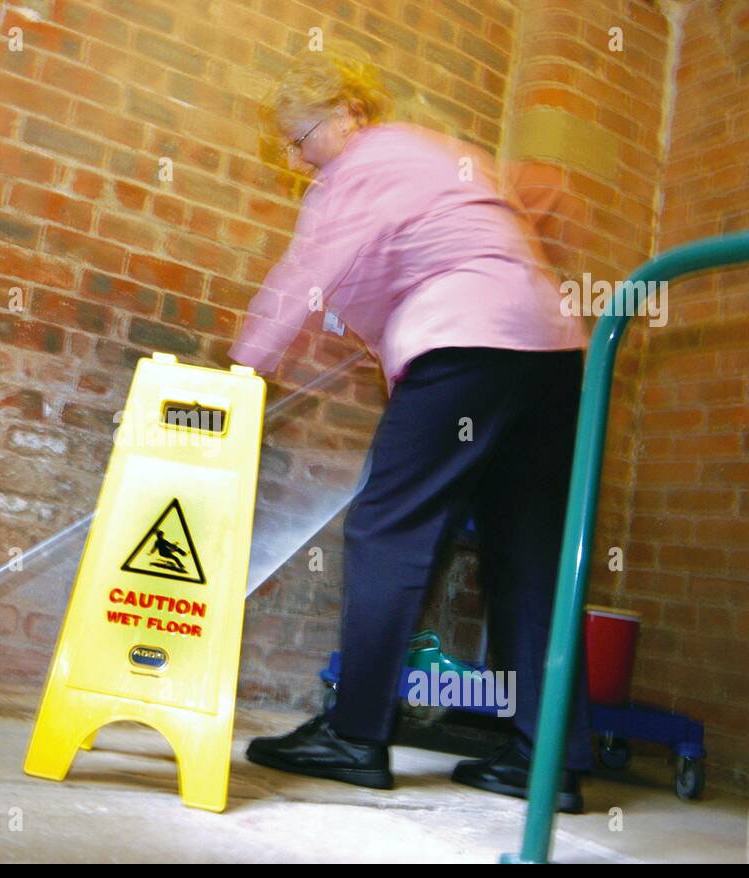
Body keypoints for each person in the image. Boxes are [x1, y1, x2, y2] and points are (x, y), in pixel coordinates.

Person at [227, 44, 594, 814]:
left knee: (389, 527)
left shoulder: (359, 165)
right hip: (555, 356)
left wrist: (243, 369)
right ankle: (546, 759)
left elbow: (309, 269)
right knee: (529, 552)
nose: (298, 162)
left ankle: (355, 734)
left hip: (469, 346)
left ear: (348, 113)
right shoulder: (441, 156)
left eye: (301, 139)